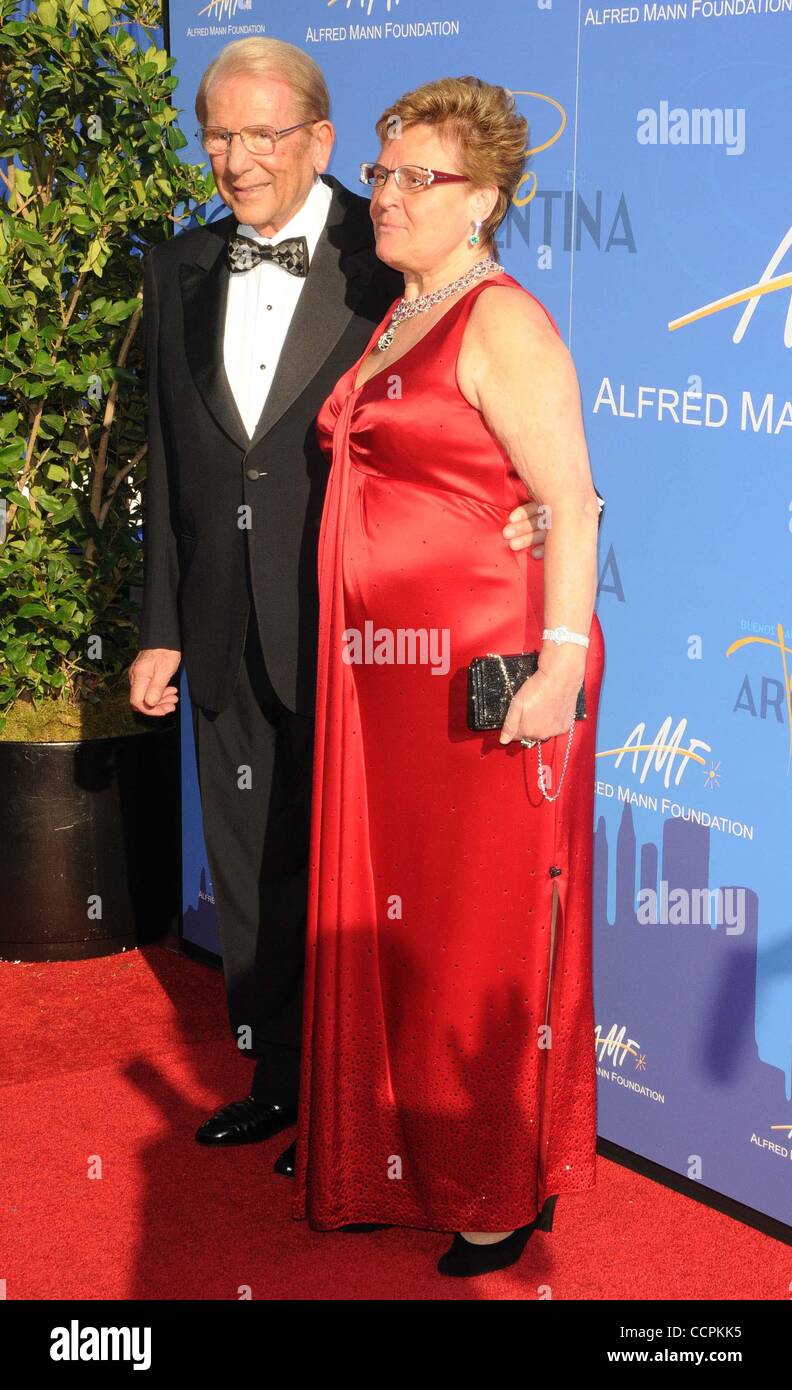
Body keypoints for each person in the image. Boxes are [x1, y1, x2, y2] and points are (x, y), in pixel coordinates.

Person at [128, 40, 548, 1158]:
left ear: (321, 141)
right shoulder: (175, 269)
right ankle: (278, 1074)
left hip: (368, 631)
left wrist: (543, 511)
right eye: (216, 133)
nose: (234, 158)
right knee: (250, 864)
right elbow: (174, 461)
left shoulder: (399, 245)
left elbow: (501, 409)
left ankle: (380, 1102)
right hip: (222, 620)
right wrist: (161, 627)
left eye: (263, 134)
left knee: (371, 877)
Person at [290, 75, 606, 1278]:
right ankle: (400, 1151)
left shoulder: (504, 320)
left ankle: (495, 1187)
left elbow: (567, 501)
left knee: (478, 934)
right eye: (381, 172)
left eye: (421, 177)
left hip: (491, 673)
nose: (388, 195)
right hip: (388, 684)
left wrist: (559, 667)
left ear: (487, 201)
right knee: (398, 922)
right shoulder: (402, 309)